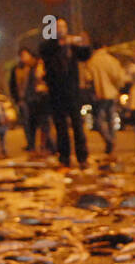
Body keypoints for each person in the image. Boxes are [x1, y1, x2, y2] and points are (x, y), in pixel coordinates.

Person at [37, 17, 93, 169]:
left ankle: (82, 157)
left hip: (73, 91)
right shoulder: (48, 46)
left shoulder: (72, 46)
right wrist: (60, 43)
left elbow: (85, 55)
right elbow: (45, 52)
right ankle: (64, 157)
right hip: (56, 92)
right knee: (61, 127)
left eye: (63, 26)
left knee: (77, 126)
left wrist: (86, 44)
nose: (61, 29)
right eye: (58, 26)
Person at [85, 40, 126, 155]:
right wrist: (116, 88)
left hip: (98, 95)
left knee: (98, 120)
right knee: (111, 118)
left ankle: (108, 140)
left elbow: (87, 78)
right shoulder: (112, 60)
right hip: (111, 94)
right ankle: (113, 141)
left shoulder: (92, 62)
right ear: (104, 46)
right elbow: (119, 77)